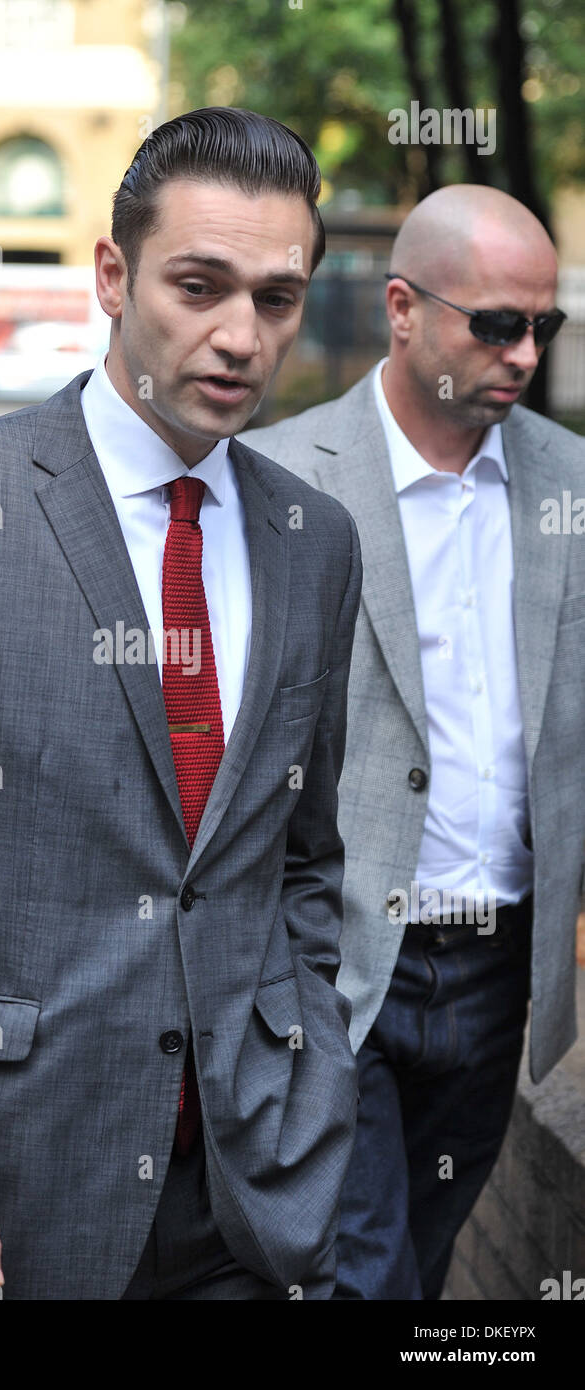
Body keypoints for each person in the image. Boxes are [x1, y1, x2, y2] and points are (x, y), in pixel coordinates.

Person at [0, 107, 363, 1301]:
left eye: (277, 297)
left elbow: (301, 857)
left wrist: (309, 1087)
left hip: (240, 1213)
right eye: (199, 285)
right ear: (111, 274)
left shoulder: (316, 541)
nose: (240, 335)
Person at [241, 183, 585, 1300]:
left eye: (547, 326)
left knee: (421, 1260)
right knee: (367, 1276)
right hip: (339, 969)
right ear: (402, 308)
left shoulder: (568, 485)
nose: (526, 352)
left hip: (497, 976)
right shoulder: (281, 482)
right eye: (496, 323)